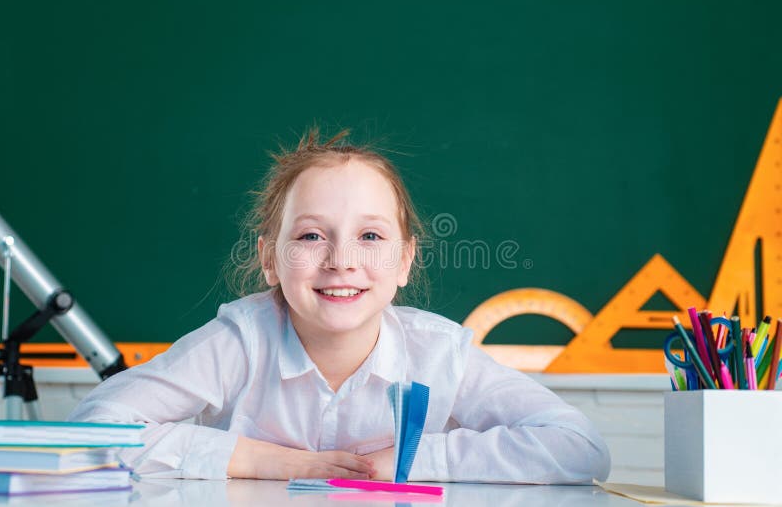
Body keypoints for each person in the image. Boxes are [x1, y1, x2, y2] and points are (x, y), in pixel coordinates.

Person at [69, 128, 611, 483]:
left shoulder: (438, 353)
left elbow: (580, 448)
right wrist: (270, 461)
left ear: (404, 262)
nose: (341, 261)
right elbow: (95, 429)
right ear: (270, 261)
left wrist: (412, 463)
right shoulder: (240, 341)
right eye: (310, 237)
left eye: (370, 237)